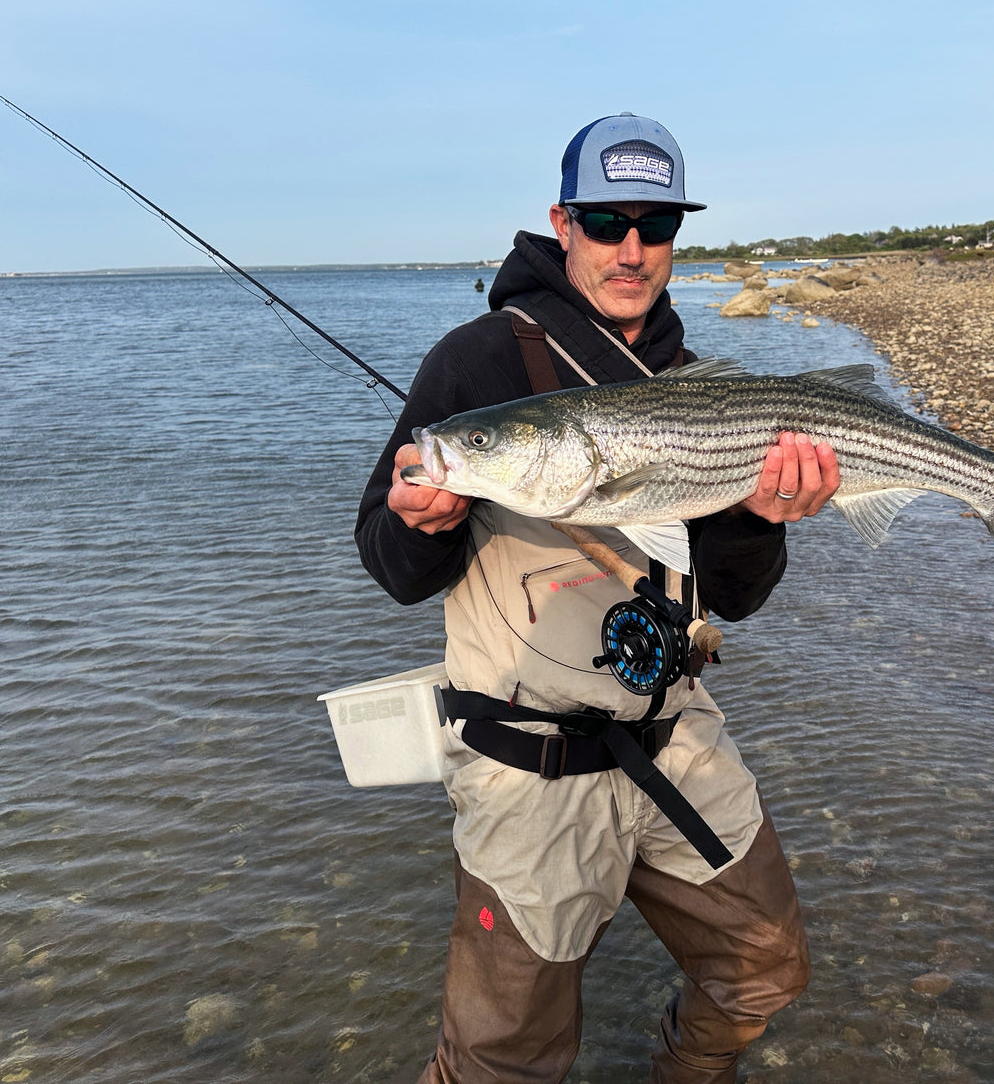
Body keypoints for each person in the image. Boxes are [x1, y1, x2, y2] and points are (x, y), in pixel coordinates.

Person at [355, 113, 837, 1083]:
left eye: (654, 225)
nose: (630, 246)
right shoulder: (478, 363)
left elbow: (735, 600)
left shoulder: (701, 384)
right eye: (606, 219)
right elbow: (391, 568)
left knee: (764, 971)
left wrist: (761, 513)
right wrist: (426, 518)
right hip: (526, 765)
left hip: (675, 728)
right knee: (501, 1059)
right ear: (560, 221)